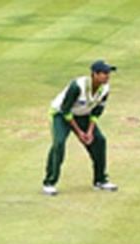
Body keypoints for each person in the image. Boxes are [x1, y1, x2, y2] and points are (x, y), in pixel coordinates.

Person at [42, 60, 119, 195]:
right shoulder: (77, 86)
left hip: (83, 115)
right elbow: (66, 110)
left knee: (99, 141)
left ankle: (100, 180)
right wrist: (79, 133)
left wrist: (89, 131)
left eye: (108, 73)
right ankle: (49, 183)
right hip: (61, 114)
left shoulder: (105, 89)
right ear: (94, 74)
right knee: (58, 143)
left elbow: (96, 111)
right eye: (104, 73)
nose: (107, 76)